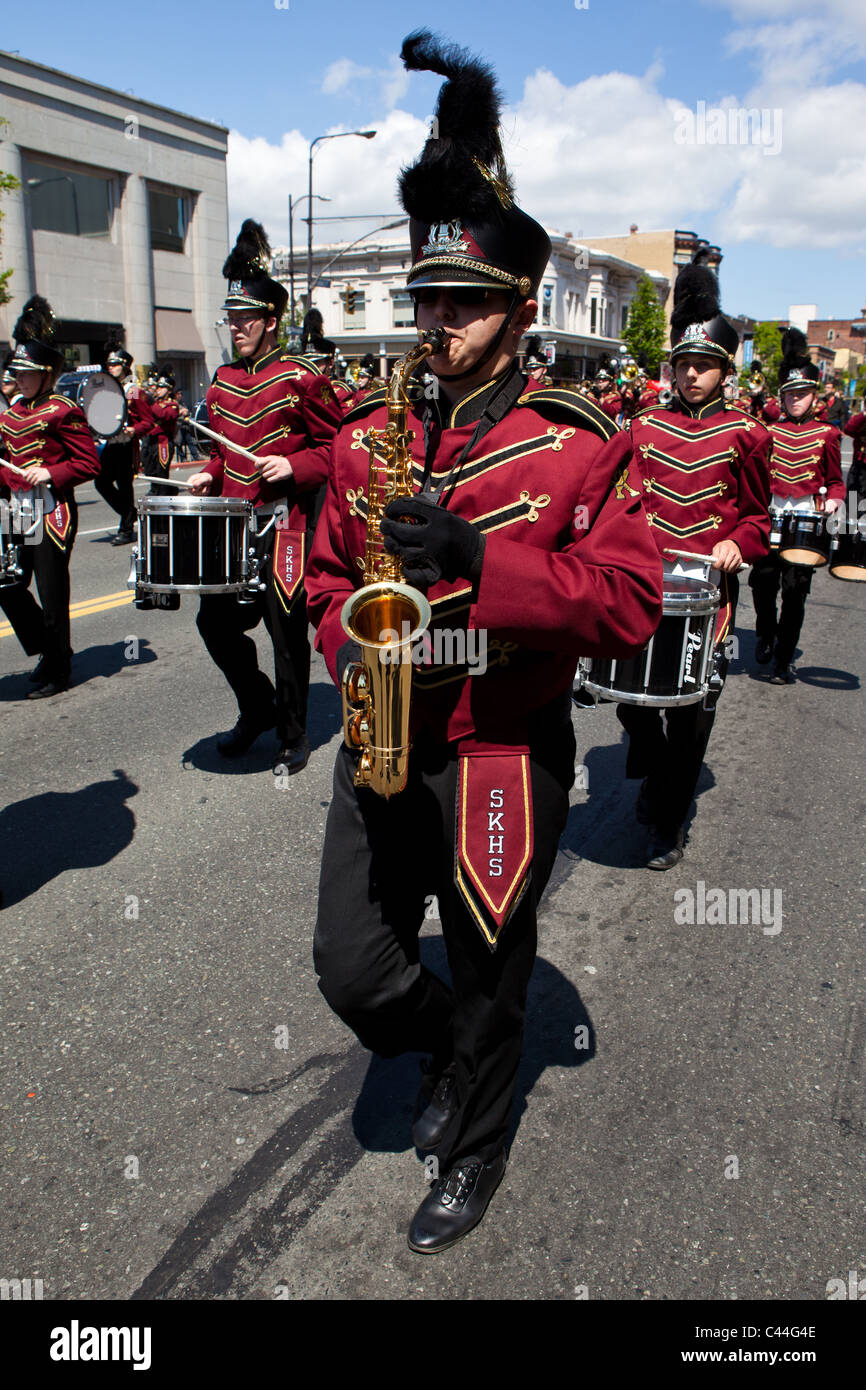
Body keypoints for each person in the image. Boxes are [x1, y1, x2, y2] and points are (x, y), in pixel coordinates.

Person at [305, 31, 663, 1254]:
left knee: (493, 964)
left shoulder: (579, 439)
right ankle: (438, 1040)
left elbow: (625, 602)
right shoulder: (364, 430)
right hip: (384, 734)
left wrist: (480, 562)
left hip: (503, 741)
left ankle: (473, 1145)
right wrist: (340, 642)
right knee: (351, 965)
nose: (436, 323)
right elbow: (320, 573)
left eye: (462, 305)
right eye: (424, 301)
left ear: (518, 315)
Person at [621, 254, 773, 868]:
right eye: (683, 364)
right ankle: (658, 778)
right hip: (645, 585)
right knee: (632, 702)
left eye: (703, 365)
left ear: (724, 371)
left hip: (708, 594)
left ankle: (668, 824)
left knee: (692, 713)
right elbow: (621, 499)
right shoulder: (643, 427)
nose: (691, 375)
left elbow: (759, 517)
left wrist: (741, 541)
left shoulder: (748, 434)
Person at [187, 220, 342, 773]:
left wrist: (293, 464)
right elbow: (226, 448)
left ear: (271, 321)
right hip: (232, 523)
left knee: (284, 631)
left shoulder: (302, 376)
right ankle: (257, 707)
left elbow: (336, 448)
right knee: (214, 624)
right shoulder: (222, 380)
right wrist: (209, 471)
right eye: (230, 319)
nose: (236, 328)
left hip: (285, 525)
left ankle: (294, 734)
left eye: (245, 319)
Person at [0, 296, 100, 696]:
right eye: (16, 373)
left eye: (26, 373)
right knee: (7, 582)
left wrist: (49, 472)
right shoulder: (9, 414)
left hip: (52, 510)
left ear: (45, 374)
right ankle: (49, 648)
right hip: (16, 509)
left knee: (52, 590)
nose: (18, 379)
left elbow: (89, 464)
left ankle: (58, 669)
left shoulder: (63, 410)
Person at [749, 328, 843, 684]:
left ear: (814, 396)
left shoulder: (828, 434)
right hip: (772, 515)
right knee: (762, 581)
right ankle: (764, 633)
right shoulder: (768, 431)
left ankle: (784, 658)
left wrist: (835, 500)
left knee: (794, 590)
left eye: (802, 394)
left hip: (805, 518)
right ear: (782, 397)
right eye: (790, 395)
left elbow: (835, 479)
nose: (795, 400)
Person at [93, 337, 152, 545]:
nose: (111, 367)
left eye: (115, 364)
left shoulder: (134, 390)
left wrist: (133, 429)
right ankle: (129, 513)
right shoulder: (108, 388)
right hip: (110, 443)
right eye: (109, 364)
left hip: (127, 444)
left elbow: (148, 421)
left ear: (125, 366)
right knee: (101, 482)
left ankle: (126, 529)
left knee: (125, 485)